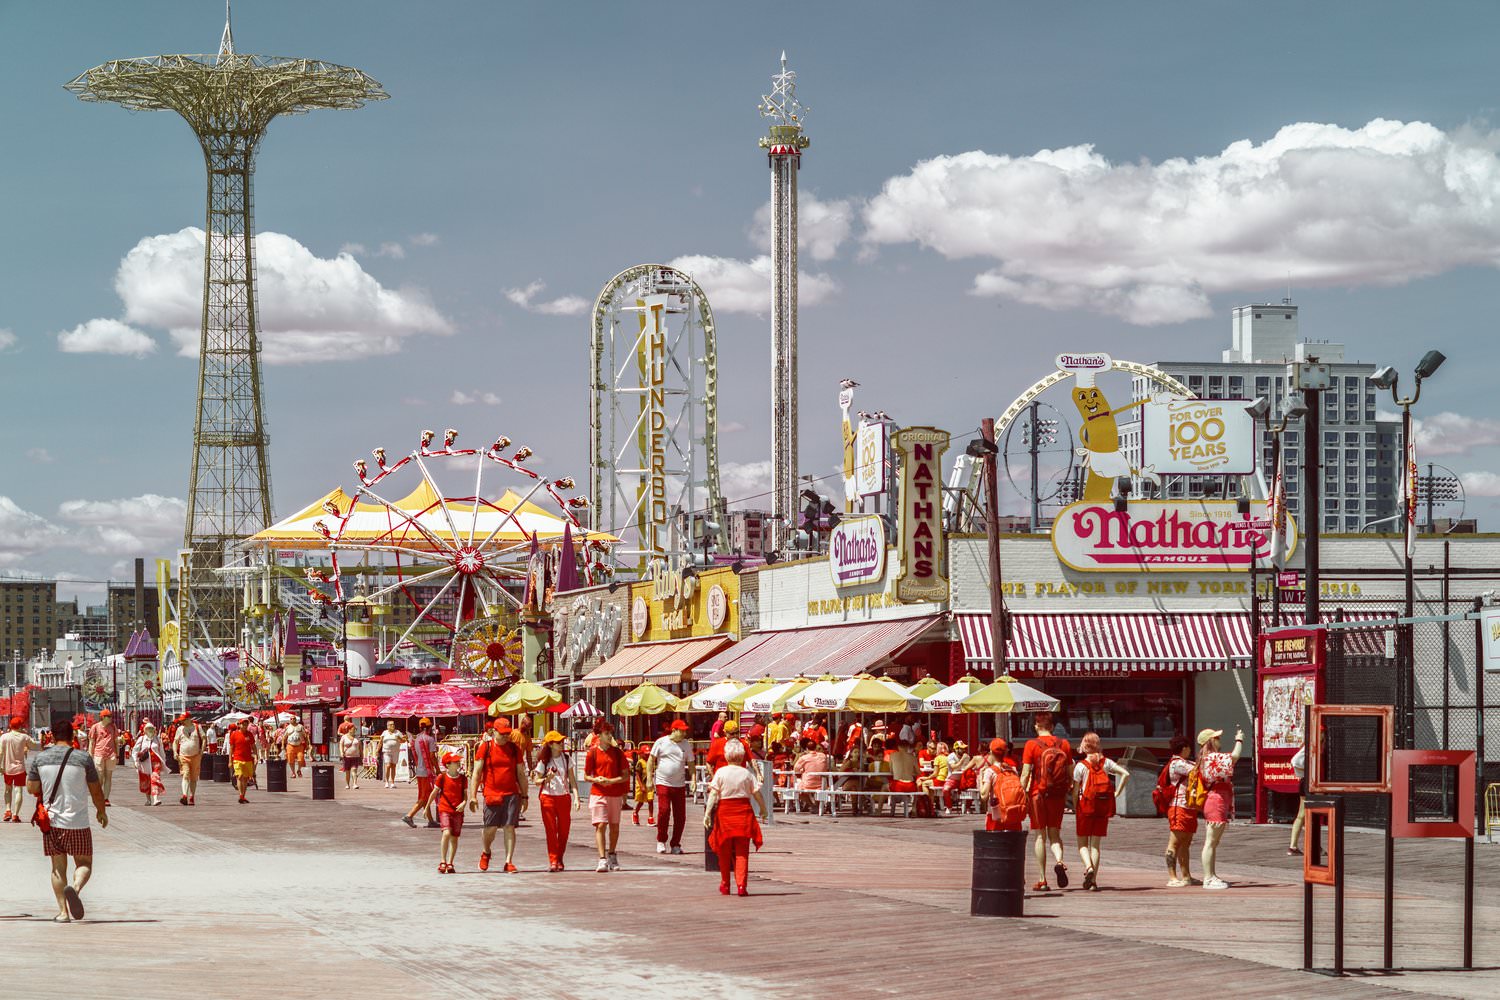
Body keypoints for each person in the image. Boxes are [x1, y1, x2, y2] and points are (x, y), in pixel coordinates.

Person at [26, 718, 108, 922]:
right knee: (84, 863)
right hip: (78, 821)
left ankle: (63, 913)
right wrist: (101, 811)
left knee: (57, 868)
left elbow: (31, 788)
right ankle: (76, 887)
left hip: (51, 822)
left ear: (52, 736)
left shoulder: (40, 759)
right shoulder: (83, 758)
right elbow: (96, 790)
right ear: (72, 736)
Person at [1020, 710, 1073, 891]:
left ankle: (1042, 879)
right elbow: (1070, 773)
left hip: (1038, 795)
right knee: (1055, 834)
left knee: (1040, 836)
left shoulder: (1031, 745)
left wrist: (1021, 793)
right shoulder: (1064, 744)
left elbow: (1026, 773)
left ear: (1036, 726)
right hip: (1057, 796)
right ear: (1052, 727)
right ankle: (1059, 861)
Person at [704, 740, 764, 896]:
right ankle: (741, 885)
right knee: (742, 852)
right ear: (742, 755)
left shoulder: (721, 772)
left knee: (724, 851)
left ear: (726, 754)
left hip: (725, 814)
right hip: (744, 813)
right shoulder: (746, 773)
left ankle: (725, 884)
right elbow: (756, 793)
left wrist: (707, 813)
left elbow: (714, 794)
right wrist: (763, 809)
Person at [469, 718, 528, 873]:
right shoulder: (485, 747)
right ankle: (486, 851)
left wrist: (525, 795)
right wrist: (473, 796)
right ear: (494, 732)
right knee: (490, 828)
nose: (505, 737)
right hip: (491, 793)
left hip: (511, 794)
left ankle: (508, 861)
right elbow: (476, 773)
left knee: (509, 827)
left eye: (507, 734)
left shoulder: (514, 749)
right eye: (502, 734)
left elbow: (521, 773)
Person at [1071, 732, 1129, 891]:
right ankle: (1093, 882)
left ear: (1085, 746)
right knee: (1095, 845)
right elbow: (1126, 773)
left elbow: (1076, 791)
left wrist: (1076, 806)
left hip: (1085, 805)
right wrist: (1117, 792)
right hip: (1102, 808)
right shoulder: (1107, 762)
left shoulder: (1081, 766)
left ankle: (1088, 867)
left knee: (1082, 844)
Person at [1197, 726, 1245, 890]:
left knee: (1213, 841)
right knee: (1211, 841)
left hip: (1218, 798)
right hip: (1216, 799)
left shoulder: (1207, 758)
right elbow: (1235, 757)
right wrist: (1239, 739)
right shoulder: (1211, 758)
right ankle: (1208, 878)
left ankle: (1211, 875)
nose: (1219, 741)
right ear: (1210, 741)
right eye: (1216, 738)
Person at [583, 723, 629, 872]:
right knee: (601, 824)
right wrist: (597, 779)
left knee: (614, 826)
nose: (609, 736)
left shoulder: (617, 753)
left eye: (610, 733)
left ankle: (612, 854)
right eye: (606, 733)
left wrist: (611, 781)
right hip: (598, 793)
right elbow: (586, 775)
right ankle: (602, 858)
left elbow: (625, 775)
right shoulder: (593, 753)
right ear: (599, 736)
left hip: (615, 793)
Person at [532, 730, 579, 872]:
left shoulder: (567, 758)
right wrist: (547, 778)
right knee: (551, 831)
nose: (562, 744)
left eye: (562, 741)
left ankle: (559, 857)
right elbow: (536, 781)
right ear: (551, 745)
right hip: (548, 798)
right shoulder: (543, 761)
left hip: (564, 797)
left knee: (564, 831)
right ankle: (553, 860)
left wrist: (576, 797)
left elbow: (572, 780)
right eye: (558, 742)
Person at [1160, 735, 1201, 887]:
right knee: (1175, 842)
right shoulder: (1177, 764)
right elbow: (1198, 771)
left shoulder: (1185, 762)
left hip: (1190, 806)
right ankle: (1172, 877)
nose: (1190, 750)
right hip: (1179, 806)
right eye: (1189, 747)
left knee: (1186, 843)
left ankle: (1186, 876)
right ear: (1184, 748)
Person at [648, 720, 693, 854]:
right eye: (682, 730)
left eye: (685, 730)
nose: (684, 733)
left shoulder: (686, 744)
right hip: (663, 782)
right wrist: (649, 779)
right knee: (664, 811)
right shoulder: (661, 742)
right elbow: (651, 760)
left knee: (680, 816)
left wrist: (694, 779)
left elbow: (690, 763)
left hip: (679, 784)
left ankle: (675, 843)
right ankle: (661, 840)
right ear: (674, 730)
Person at [424, 751, 468, 873]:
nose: (458, 763)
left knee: (455, 837)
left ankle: (450, 862)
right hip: (444, 809)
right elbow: (434, 793)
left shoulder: (463, 778)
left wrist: (464, 803)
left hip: (458, 811)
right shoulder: (442, 777)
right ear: (448, 765)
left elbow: (465, 795)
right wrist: (427, 806)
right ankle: (443, 861)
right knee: (446, 833)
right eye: (455, 762)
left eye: (458, 761)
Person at [977, 738, 1027, 831]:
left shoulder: (990, 771)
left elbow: (984, 796)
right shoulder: (1013, 769)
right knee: (1014, 844)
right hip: (1013, 814)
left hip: (995, 816)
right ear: (1005, 753)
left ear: (991, 752)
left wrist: (980, 777)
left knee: (995, 844)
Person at [404, 719, 439, 829]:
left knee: (424, 796)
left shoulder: (417, 739)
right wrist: (437, 769)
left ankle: (431, 820)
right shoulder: (430, 739)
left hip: (419, 771)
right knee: (424, 797)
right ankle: (409, 815)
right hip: (427, 772)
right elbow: (432, 757)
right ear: (429, 728)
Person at [2, 716, 38, 822]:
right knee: (18, 791)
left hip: (8, 768)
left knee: (8, 790)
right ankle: (15, 815)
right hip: (20, 769)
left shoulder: (4, 737)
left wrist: (0, 765)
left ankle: (8, 810)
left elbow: (0, 752)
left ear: (10, 725)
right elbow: (34, 745)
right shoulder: (24, 737)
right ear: (20, 726)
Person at [85, 710, 119, 806]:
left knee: (108, 777)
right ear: (103, 717)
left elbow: (116, 741)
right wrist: (90, 756)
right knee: (100, 776)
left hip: (111, 754)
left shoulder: (113, 727)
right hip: (98, 754)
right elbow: (91, 742)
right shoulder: (95, 727)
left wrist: (118, 755)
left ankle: (106, 798)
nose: (111, 718)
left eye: (111, 716)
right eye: (109, 716)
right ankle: (98, 796)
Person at [132, 721, 167, 806]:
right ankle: (148, 799)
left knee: (155, 779)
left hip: (156, 762)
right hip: (144, 763)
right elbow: (135, 751)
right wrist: (136, 761)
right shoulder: (142, 739)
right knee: (146, 781)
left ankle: (155, 799)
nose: (150, 730)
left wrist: (164, 762)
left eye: (151, 729)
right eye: (148, 729)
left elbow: (161, 751)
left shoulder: (157, 739)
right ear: (145, 730)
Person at [173, 714, 204, 806]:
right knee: (185, 775)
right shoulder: (180, 729)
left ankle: (192, 796)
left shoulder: (197, 727)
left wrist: (202, 751)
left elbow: (204, 738)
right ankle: (184, 796)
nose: (182, 722)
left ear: (189, 719)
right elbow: (175, 741)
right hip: (183, 756)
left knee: (194, 778)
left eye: (184, 720)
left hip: (195, 756)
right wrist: (175, 752)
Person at [792, 737, 828, 812]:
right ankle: (817, 806)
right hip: (822, 783)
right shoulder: (823, 756)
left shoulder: (804, 757)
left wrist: (803, 770)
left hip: (808, 783)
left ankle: (813, 805)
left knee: (798, 792)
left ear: (806, 749)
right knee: (815, 789)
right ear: (816, 747)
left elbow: (796, 769)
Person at [228, 717, 256, 804]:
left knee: (245, 778)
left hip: (248, 759)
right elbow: (231, 748)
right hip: (237, 758)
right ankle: (240, 795)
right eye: (243, 724)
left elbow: (253, 746)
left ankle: (243, 796)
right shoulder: (234, 734)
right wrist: (230, 761)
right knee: (239, 776)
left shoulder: (249, 734)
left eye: (246, 724)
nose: (244, 726)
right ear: (239, 725)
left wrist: (256, 756)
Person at [1288, 743, 1308, 856]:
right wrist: (1305, 771)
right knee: (1303, 814)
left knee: (1305, 815)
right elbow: (1295, 761)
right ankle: (1293, 846)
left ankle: (1294, 846)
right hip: (1308, 781)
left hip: (1308, 781)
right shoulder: (1310, 745)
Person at [631, 741, 655, 827]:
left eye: (648, 754)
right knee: (641, 802)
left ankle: (651, 818)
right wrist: (641, 786)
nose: (647, 755)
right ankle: (635, 813)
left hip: (649, 784)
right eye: (646, 754)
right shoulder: (640, 762)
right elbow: (637, 775)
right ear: (641, 754)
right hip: (642, 784)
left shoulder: (651, 761)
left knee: (650, 800)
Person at [379, 720, 406, 788]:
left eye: (393, 724)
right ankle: (387, 781)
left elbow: (404, 740)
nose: (392, 725)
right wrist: (377, 750)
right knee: (388, 765)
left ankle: (393, 782)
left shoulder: (398, 732)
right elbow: (380, 742)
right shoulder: (384, 733)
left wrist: (399, 738)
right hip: (386, 751)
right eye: (391, 724)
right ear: (387, 726)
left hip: (395, 751)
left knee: (393, 766)